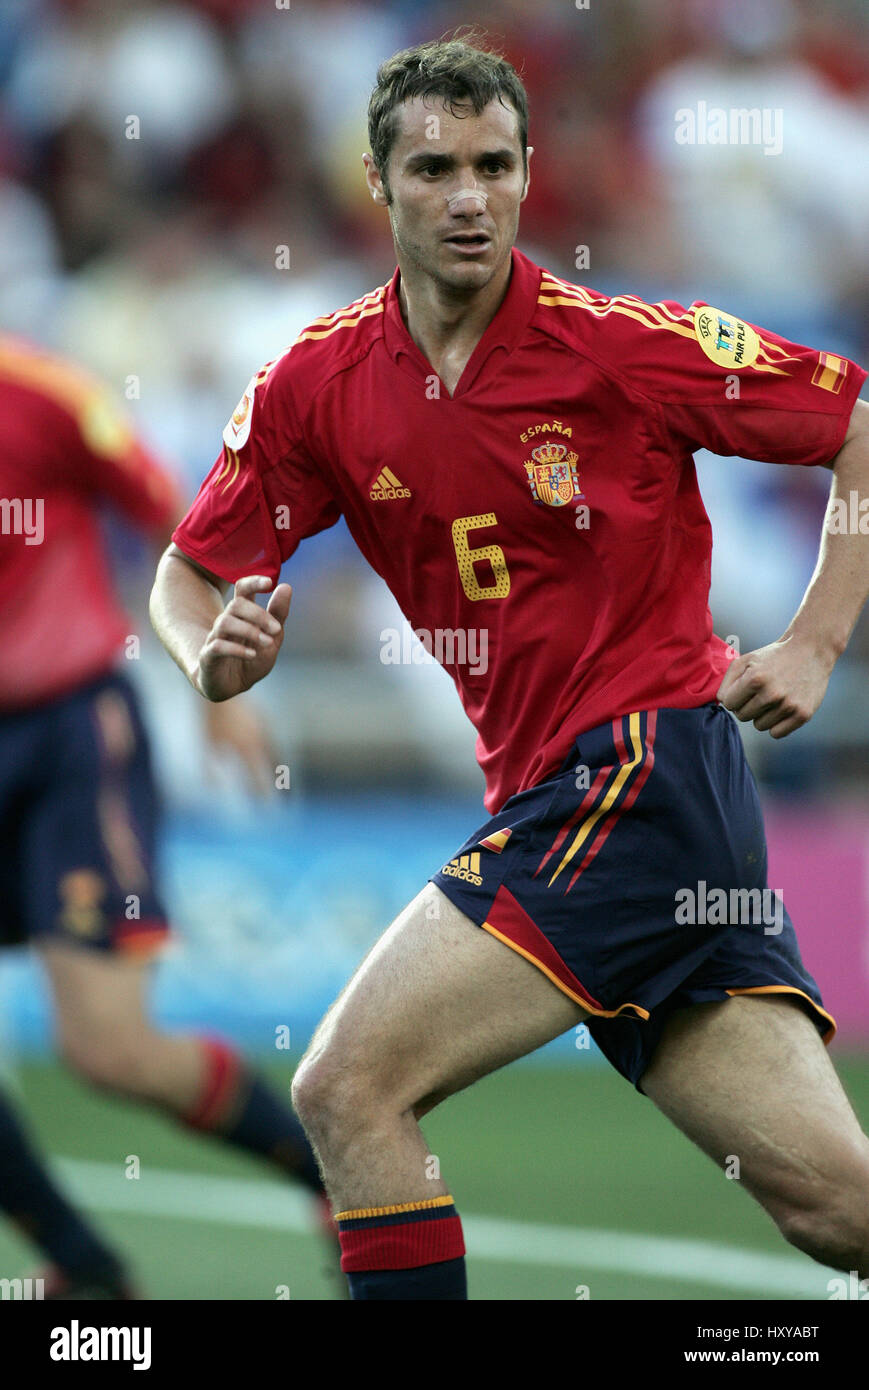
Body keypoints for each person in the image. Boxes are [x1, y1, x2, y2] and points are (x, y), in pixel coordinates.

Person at [150, 36, 869, 1301]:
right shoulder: (316, 386)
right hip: (577, 804)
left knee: (347, 1087)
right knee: (833, 1207)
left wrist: (814, 636)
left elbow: (854, 423)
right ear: (378, 184)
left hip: (636, 776)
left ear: (530, 174)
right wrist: (206, 659)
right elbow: (184, 573)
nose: (468, 195)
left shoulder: (616, 345)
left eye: (493, 164)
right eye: (433, 168)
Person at [0, 334, 330, 1298]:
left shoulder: (43, 397)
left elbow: (175, 524)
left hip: (68, 738)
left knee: (110, 1052)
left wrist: (218, 692)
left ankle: (343, 1186)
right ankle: (87, 1268)